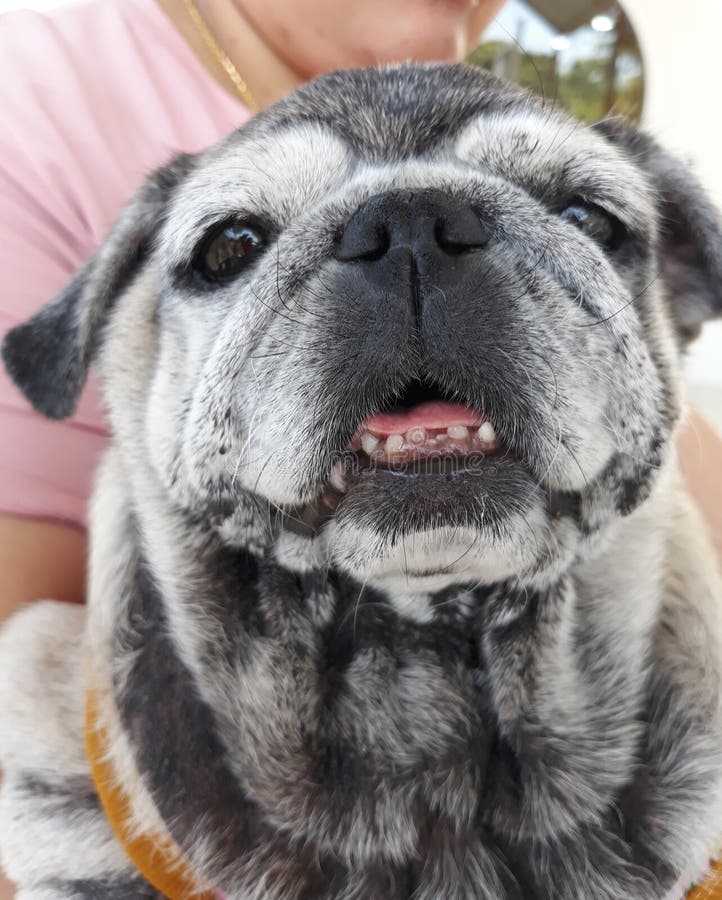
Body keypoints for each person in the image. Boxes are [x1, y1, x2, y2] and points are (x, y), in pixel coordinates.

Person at [0, 0, 721, 895]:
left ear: (681, 281)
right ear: (107, 323)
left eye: (583, 218)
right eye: (236, 247)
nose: (410, 254)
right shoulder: (42, 83)